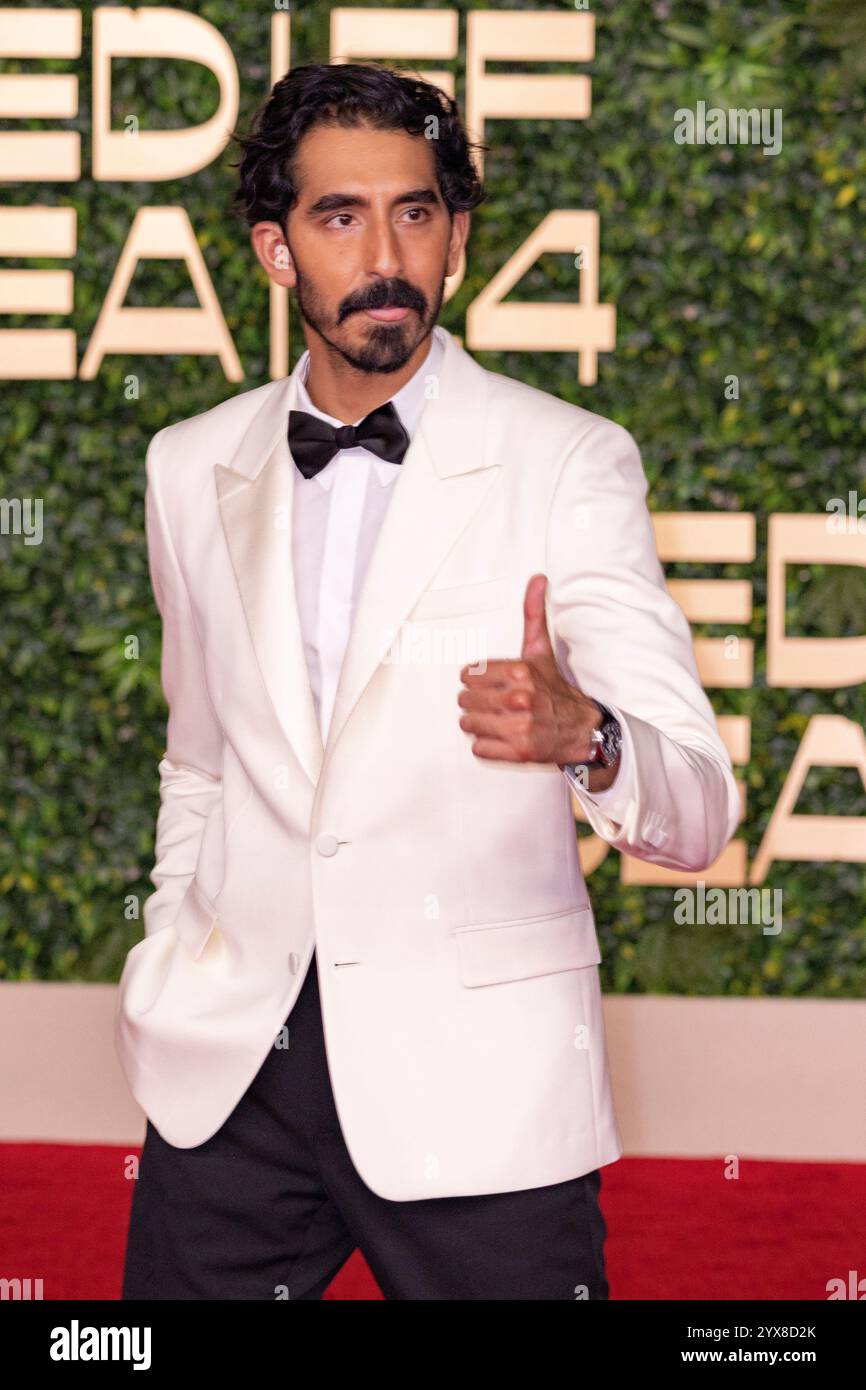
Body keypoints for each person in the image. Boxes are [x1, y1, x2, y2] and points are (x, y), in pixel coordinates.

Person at [117, 61, 740, 1301]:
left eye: (415, 213)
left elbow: (700, 809)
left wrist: (591, 737)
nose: (385, 253)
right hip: (234, 1071)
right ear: (275, 250)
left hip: (482, 1085)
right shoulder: (188, 468)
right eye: (339, 217)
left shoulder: (565, 460)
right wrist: (167, 949)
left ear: (456, 237)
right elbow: (199, 761)